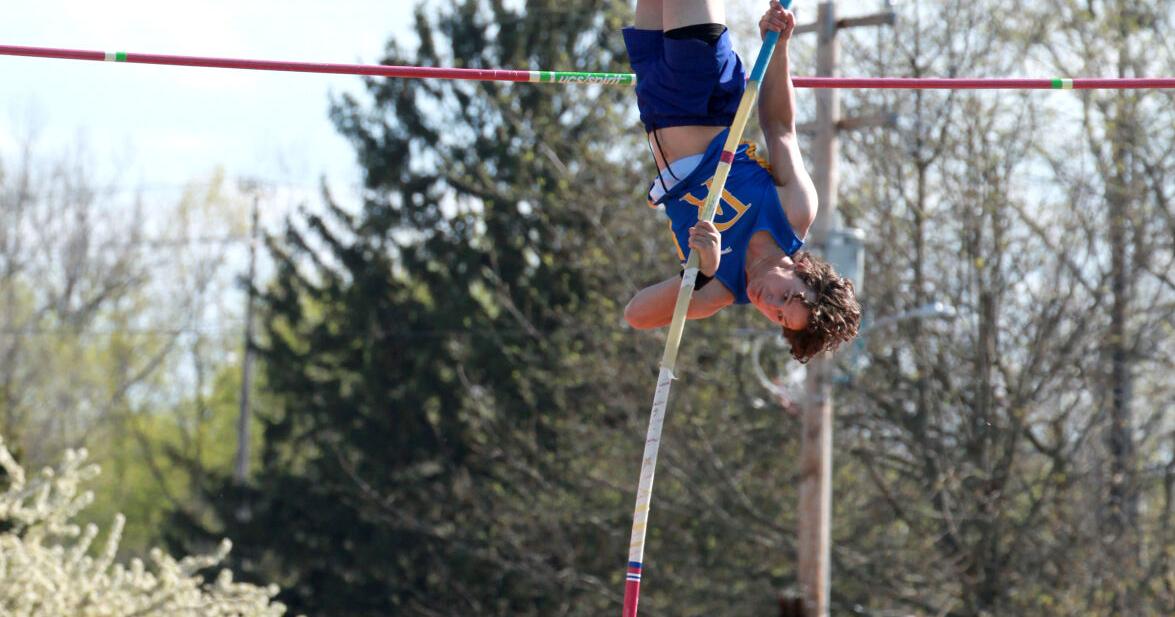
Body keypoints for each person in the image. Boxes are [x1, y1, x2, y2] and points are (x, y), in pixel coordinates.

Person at [622, 0, 860, 362]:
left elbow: (636, 314)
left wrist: (701, 272)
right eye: (786, 297)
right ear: (803, 271)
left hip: (655, 103)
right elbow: (780, 128)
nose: (769, 304)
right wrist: (778, 47)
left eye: (778, 317)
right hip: (702, 92)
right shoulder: (794, 211)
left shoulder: (717, 290)